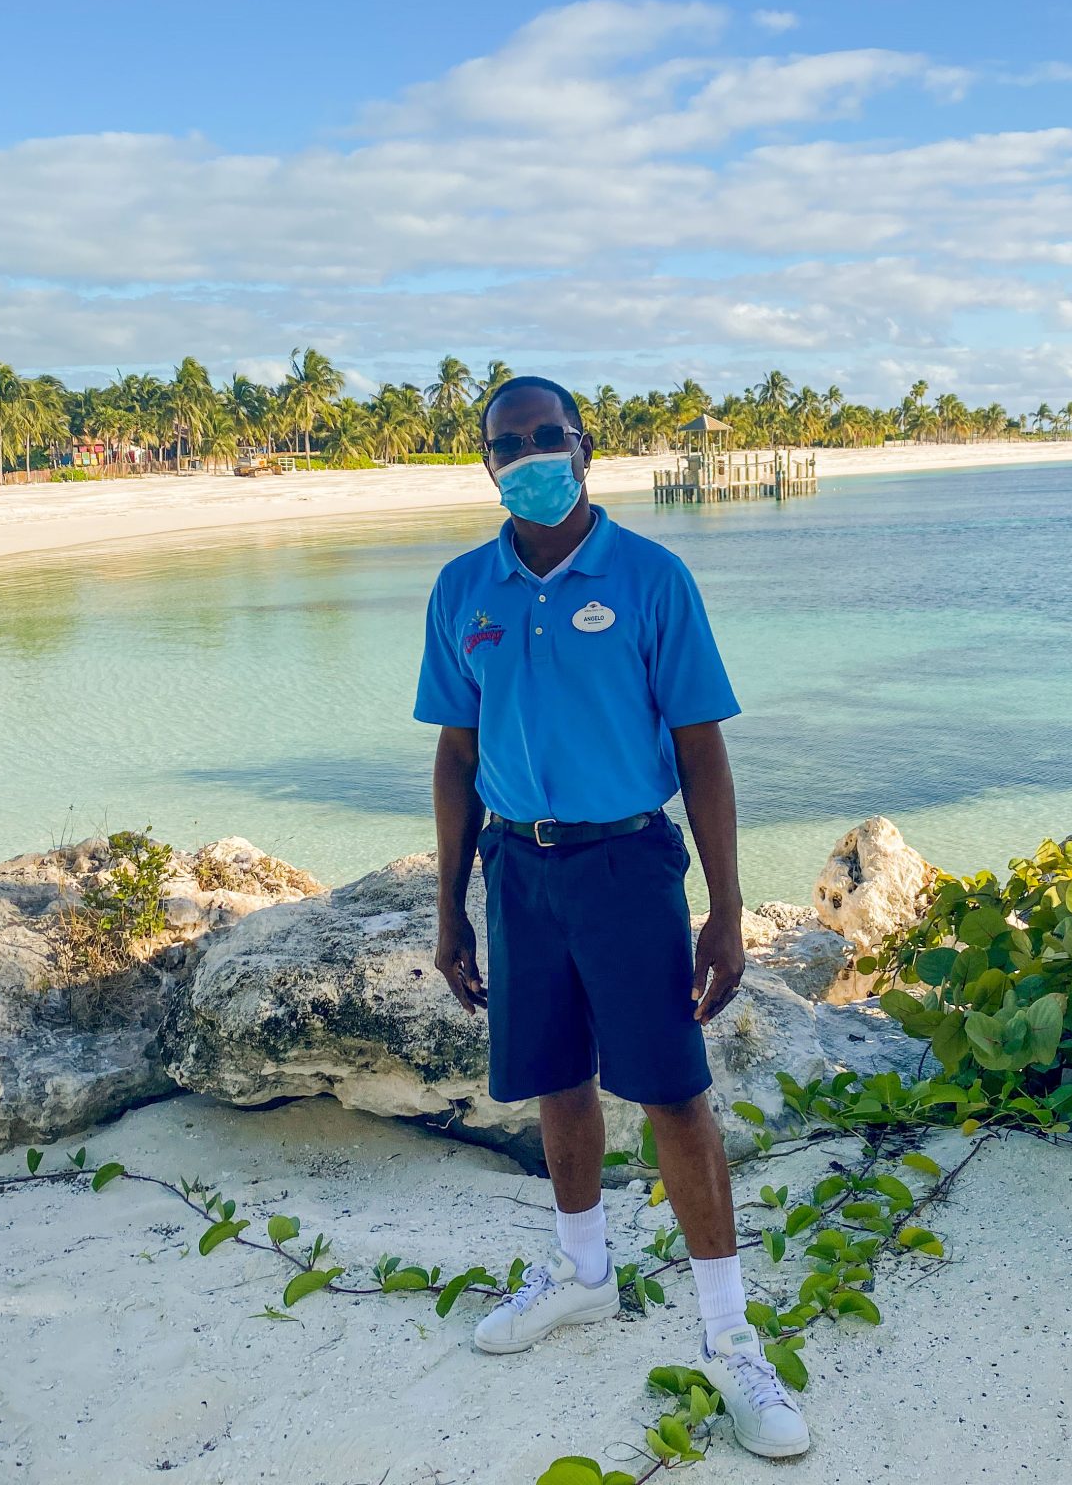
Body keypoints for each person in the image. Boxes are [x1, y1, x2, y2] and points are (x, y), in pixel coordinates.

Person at [414, 375, 808, 1460]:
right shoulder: (464, 590)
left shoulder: (650, 576)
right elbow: (454, 751)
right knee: (554, 1076)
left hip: (630, 864)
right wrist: (449, 907)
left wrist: (725, 911)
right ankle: (583, 1272)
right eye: (511, 443)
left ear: (585, 448)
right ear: (486, 462)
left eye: (551, 437)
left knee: (673, 1095)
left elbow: (700, 747)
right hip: (518, 868)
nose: (534, 454)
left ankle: (730, 1342)